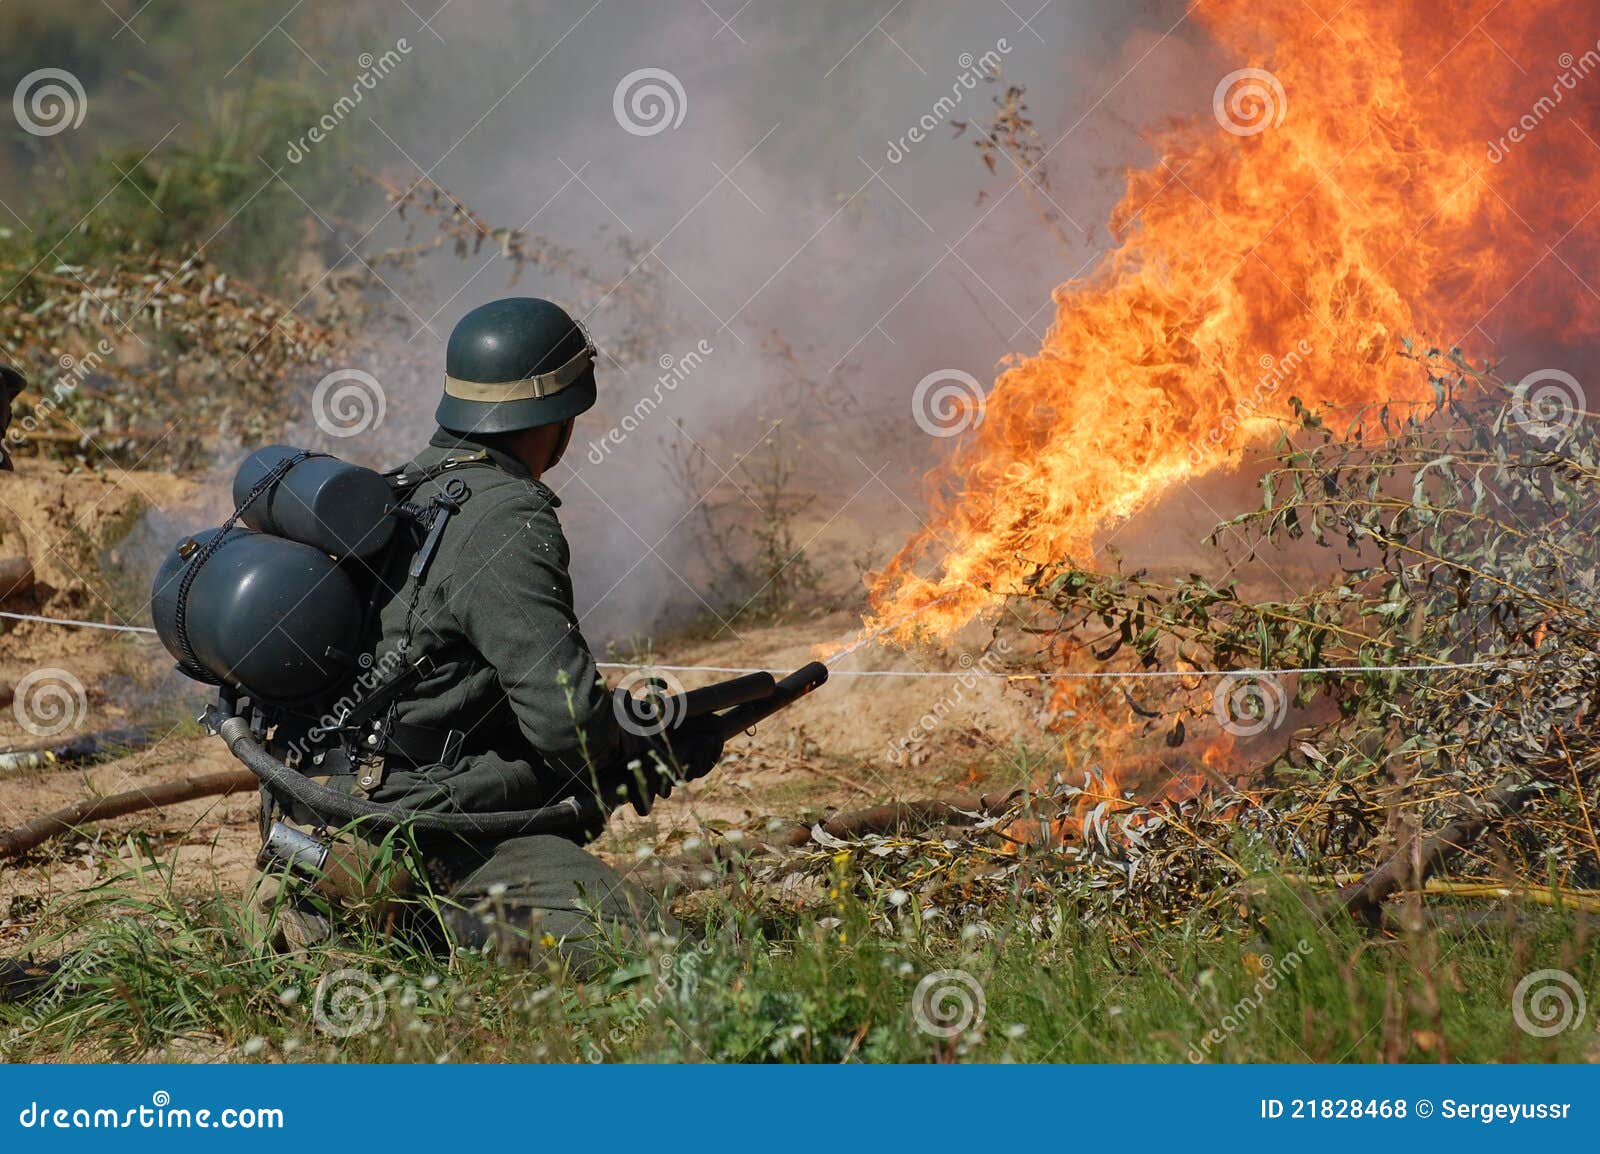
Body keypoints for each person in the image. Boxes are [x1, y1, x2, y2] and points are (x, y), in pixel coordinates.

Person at [266, 298, 722, 972]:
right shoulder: (506, 517)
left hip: (322, 811)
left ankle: (375, 905)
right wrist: (633, 755)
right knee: (661, 961)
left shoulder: (406, 487)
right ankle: (413, 922)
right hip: (421, 829)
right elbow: (565, 723)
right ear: (558, 414)